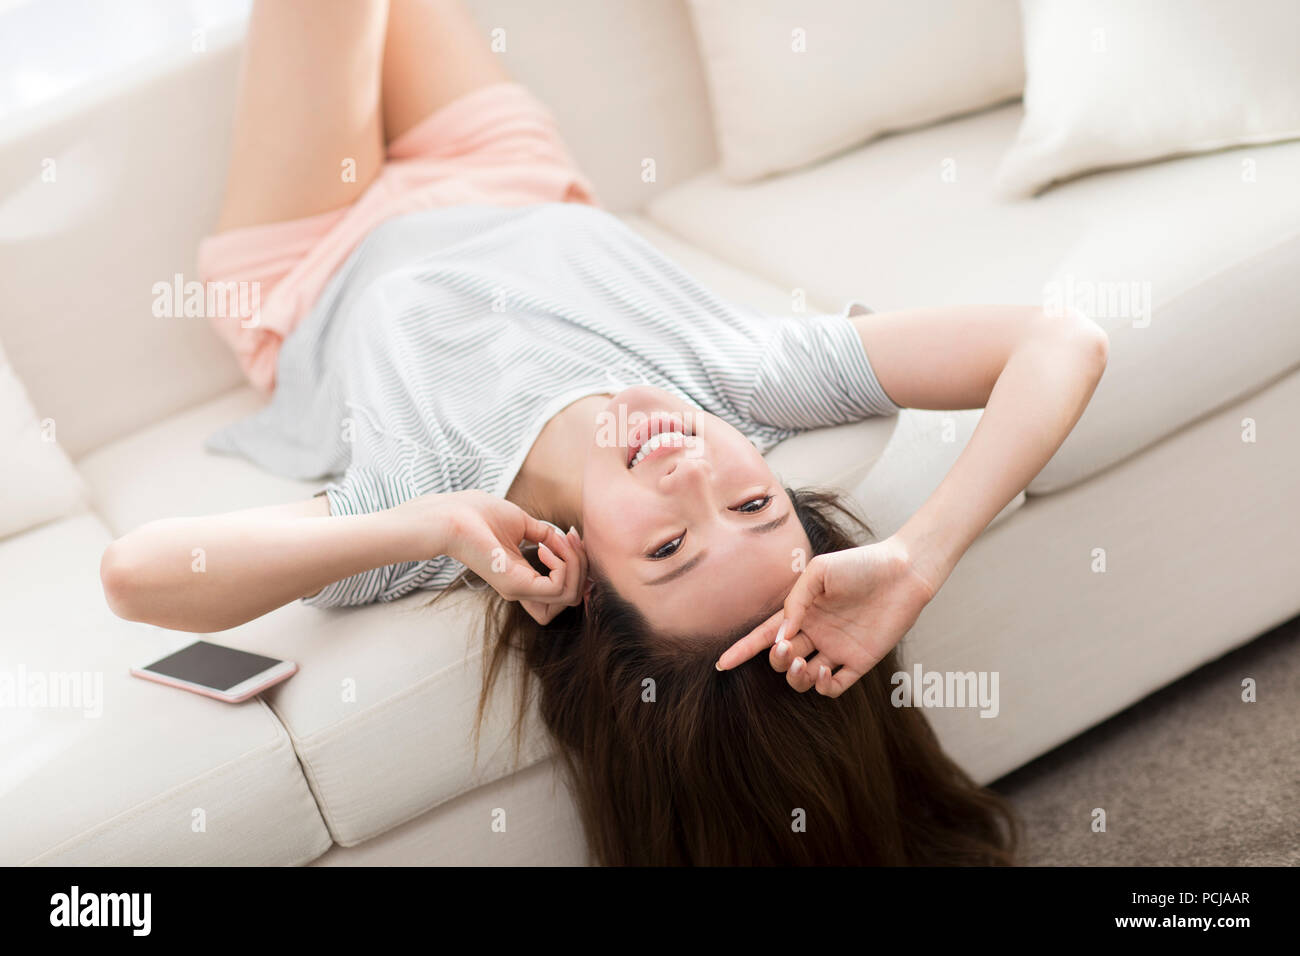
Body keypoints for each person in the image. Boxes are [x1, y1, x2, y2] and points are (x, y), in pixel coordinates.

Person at [100, 0, 1109, 864]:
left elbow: (136, 574)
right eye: (753, 502)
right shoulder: (744, 380)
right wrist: (916, 559)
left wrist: (435, 523)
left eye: (668, 545)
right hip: (505, 169)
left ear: (586, 580)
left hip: (313, 255)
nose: (689, 471)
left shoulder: (443, 501)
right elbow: (1057, 339)